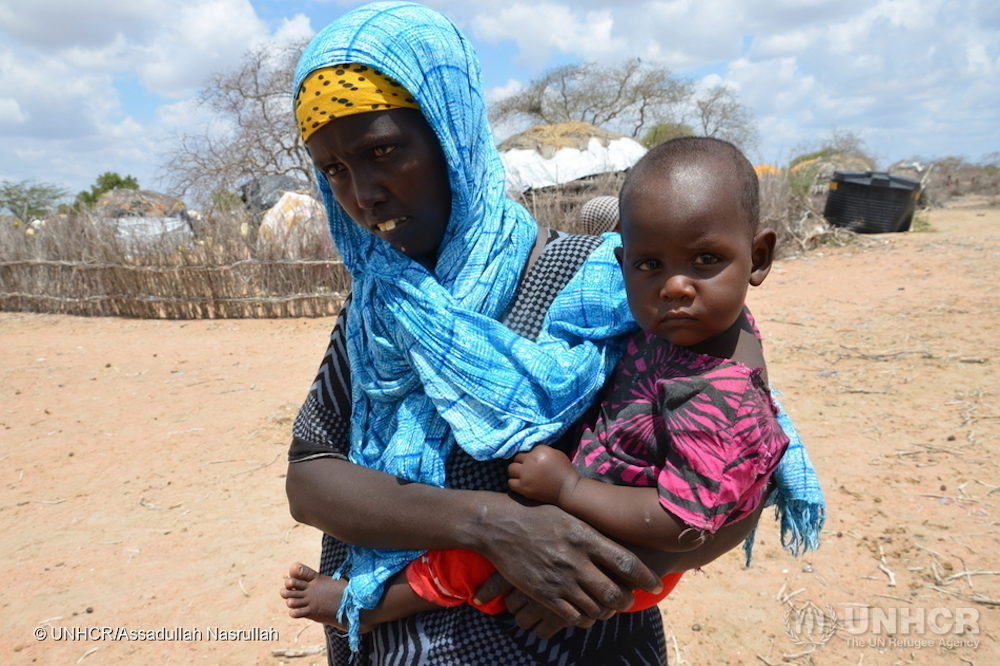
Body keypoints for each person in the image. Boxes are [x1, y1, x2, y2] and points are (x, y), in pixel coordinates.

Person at [280, 3, 824, 664]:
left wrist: (624, 576)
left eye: (384, 151)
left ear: (451, 136)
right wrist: (493, 527)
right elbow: (310, 480)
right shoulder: (380, 307)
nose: (363, 192)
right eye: (333, 169)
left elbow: (736, 468)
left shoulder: (602, 285)